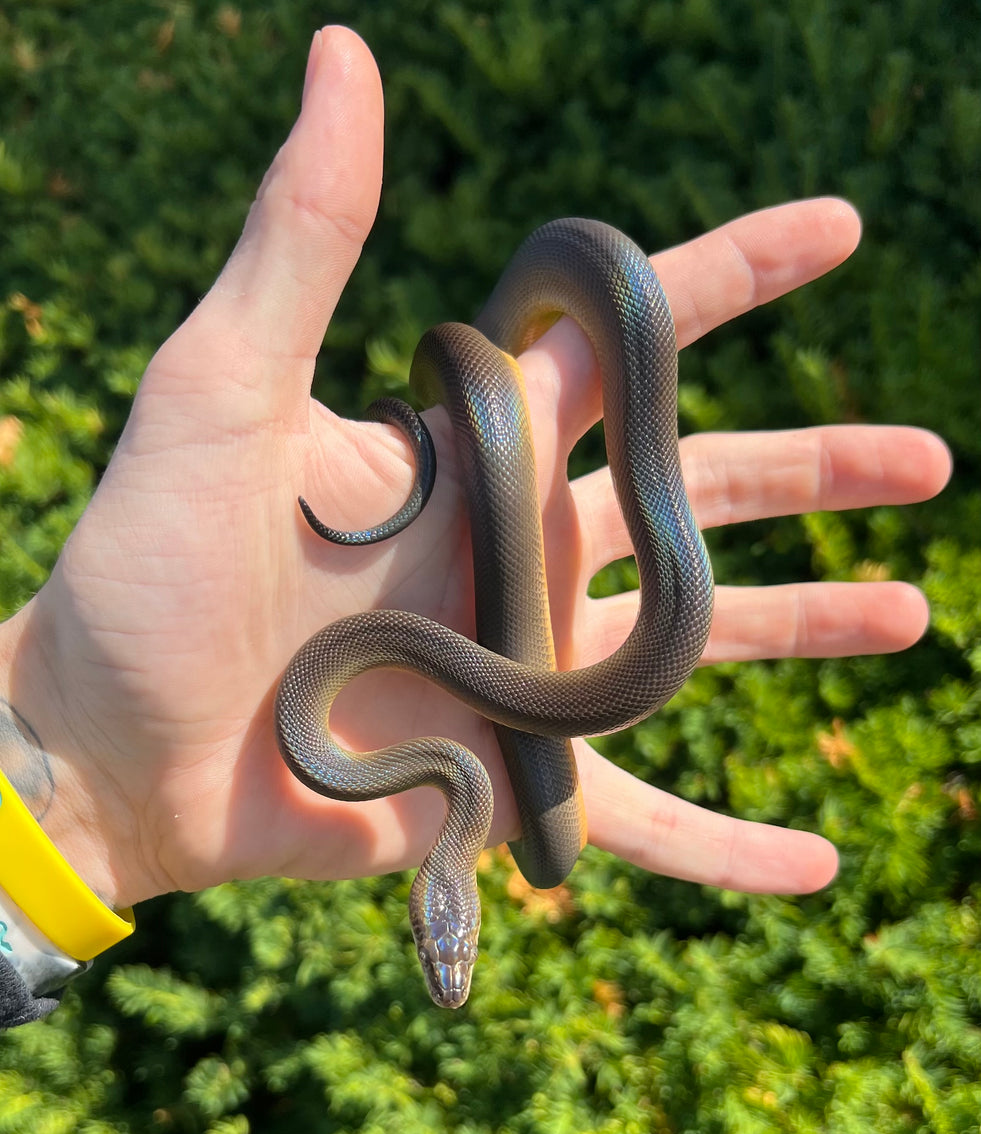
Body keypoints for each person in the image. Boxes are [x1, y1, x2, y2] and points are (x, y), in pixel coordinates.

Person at [0, 26, 951, 1026]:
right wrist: (87, 770)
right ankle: (485, 378)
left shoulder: (415, 768)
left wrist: (79, 764)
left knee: (505, 383)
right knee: (510, 398)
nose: (442, 963)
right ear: (439, 914)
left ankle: (478, 377)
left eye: (434, 950)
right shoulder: (421, 771)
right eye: (443, 951)